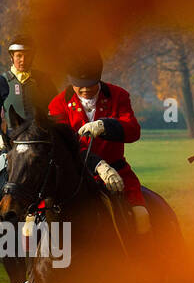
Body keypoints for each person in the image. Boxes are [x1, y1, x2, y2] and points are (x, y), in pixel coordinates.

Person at [47, 51, 147, 229]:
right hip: (76, 175)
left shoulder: (118, 95)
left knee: (142, 218)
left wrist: (106, 125)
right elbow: (64, 146)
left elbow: (134, 131)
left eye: (91, 85)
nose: (85, 90)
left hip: (117, 171)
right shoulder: (58, 104)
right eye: (79, 85)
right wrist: (97, 164)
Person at [0, 35, 57, 206]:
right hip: (13, 145)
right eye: (18, 56)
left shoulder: (44, 80)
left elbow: (56, 108)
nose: (22, 60)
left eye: (26, 55)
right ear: (12, 57)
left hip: (41, 146)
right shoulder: (1, 81)